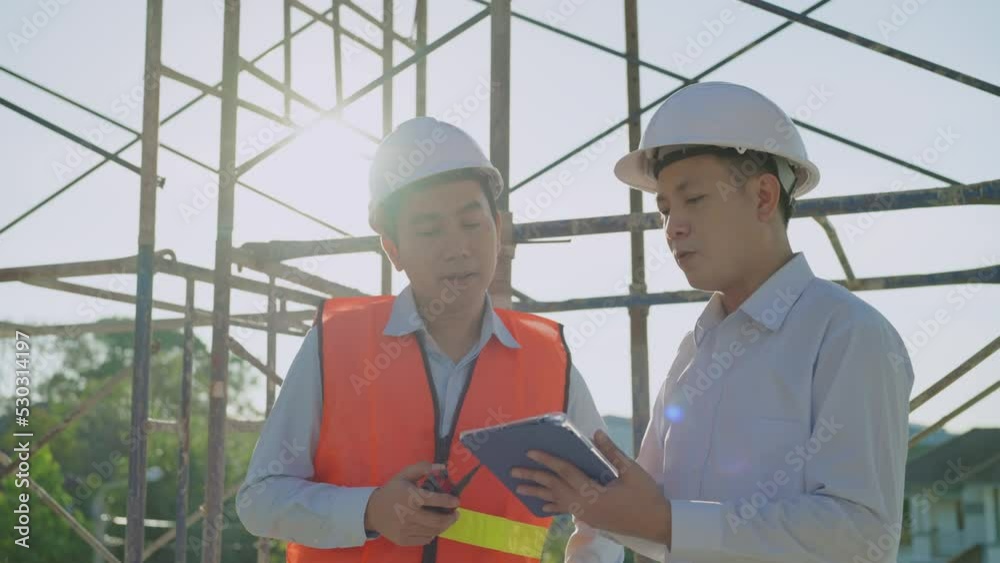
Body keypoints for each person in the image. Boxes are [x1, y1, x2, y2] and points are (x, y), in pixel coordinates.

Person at [511, 82, 915, 563]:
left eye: (694, 199)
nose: (672, 226)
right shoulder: (694, 352)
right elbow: (657, 521)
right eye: (664, 208)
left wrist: (666, 521)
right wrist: (600, 503)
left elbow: (862, 536)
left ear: (764, 197)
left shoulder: (848, 335)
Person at [236, 116, 623, 563]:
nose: (457, 246)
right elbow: (259, 501)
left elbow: (608, 509)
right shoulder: (335, 345)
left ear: (497, 228)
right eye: (429, 230)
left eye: (471, 223)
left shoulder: (548, 361)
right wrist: (369, 510)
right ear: (393, 249)